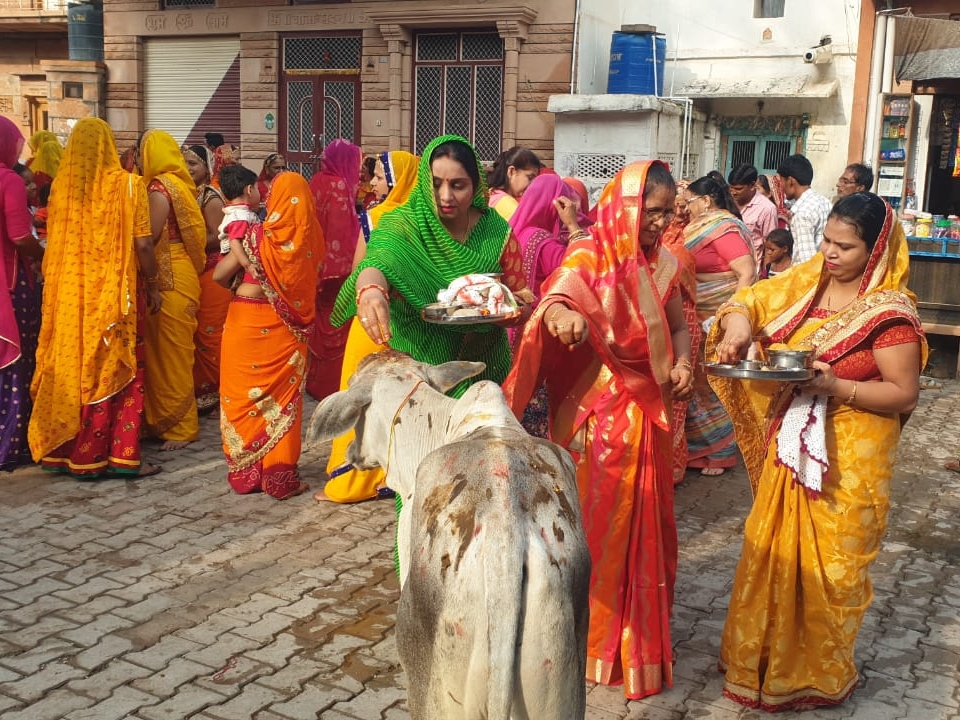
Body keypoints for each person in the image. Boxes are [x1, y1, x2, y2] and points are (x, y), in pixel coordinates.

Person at [710, 192, 925, 711]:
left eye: (844, 246)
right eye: (827, 239)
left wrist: (835, 388)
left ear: (873, 253)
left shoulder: (891, 314)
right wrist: (738, 326)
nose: (829, 252)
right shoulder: (812, 279)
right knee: (773, 551)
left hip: (849, 459)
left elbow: (903, 393)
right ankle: (761, 663)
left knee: (832, 568)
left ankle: (817, 673)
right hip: (792, 445)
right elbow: (753, 299)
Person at [503, 160, 693, 700]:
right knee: (595, 529)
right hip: (599, 420)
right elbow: (559, 296)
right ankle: (586, 640)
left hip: (648, 416)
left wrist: (681, 366)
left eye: (666, 213)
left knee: (646, 527)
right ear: (626, 207)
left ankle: (638, 645)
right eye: (651, 213)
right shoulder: (591, 254)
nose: (659, 224)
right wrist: (562, 315)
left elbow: (679, 327)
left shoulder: (666, 266)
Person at [333, 135, 533, 389]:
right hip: (415, 371)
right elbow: (376, 263)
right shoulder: (404, 223)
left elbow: (521, 299)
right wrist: (371, 290)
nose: (445, 196)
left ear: (476, 185)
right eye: (435, 184)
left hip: (481, 370)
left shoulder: (496, 231)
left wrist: (506, 315)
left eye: (458, 185)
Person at [28, 117, 161, 479]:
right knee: (118, 364)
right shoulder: (129, 186)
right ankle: (118, 455)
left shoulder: (62, 189)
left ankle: (65, 451)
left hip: (72, 294)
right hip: (116, 294)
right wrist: (154, 281)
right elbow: (144, 244)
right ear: (106, 146)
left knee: (74, 363)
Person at [213, 171, 324, 500]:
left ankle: (247, 471)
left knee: (242, 396)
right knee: (284, 398)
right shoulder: (312, 238)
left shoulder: (254, 235)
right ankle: (278, 475)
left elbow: (220, 276)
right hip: (286, 326)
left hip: (244, 319)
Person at [321, 149, 419, 504]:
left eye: (379, 177)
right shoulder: (423, 221)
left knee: (358, 394)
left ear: (397, 181)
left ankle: (354, 479)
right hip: (410, 325)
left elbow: (357, 271)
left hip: (371, 321)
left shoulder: (376, 218)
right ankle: (394, 475)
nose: (374, 183)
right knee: (401, 400)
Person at [136, 129, 207, 451]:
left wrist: (151, 283)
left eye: (140, 152)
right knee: (169, 352)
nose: (137, 159)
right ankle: (159, 420)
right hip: (183, 272)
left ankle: (180, 426)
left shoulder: (160, 188)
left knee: (171, 354)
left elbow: (147, 237)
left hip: (169, 277)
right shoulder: (180, 184)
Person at [682, 176, 755, 476]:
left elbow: (746, 273)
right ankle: (700, 448)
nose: (686, 209)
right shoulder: (703, 227)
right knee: (698, 382)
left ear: (706, 201)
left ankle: (721, 452)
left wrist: (728, 313)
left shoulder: (722, 229)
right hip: (698, 313)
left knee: (713, 383)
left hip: (717, 316)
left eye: (689, 202)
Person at [0, 117, 45, 470]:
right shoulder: (9, 180)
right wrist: (46, 254)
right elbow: (19, 236)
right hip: (10, 283)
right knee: (15, 360)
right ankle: (11, 441)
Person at [307, 138, 362, 401]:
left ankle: (315, 382)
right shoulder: (340, 185)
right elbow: (341, 231)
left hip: (315, 265)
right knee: (337, 324)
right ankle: (331, 385)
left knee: (320, 324)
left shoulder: (316, 180)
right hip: (336, 272)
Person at [182, 143, 228, 414]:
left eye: (194, 164)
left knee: (210, 334)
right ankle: (201, 390)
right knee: (197, 334)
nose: (188, 169)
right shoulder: (188, 192)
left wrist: (188, 241)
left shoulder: (210, 197)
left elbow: (217, 235)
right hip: (195, 270)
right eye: (185, 163)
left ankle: (216, 390)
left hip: (212, 271)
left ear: (207, 168)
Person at [778, 153, 832, 264]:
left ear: (790, 181)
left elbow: (806, 262)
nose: (781, 187)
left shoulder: (802, 214)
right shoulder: (824, 202)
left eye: (781, 181)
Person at [728, 163, 777, 266]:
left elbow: (770, 246)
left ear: (752, 185)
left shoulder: (766, 208)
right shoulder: (727, 202)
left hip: (751, 272)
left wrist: (764, 276)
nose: (733, 192)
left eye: (738, 189)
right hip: (726, 271)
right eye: (731, 188)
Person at [486, 146, 543, 220]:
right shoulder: (507, 204)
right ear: (511, 171)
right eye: (530, 177)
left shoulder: (490, 193)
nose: (532, 185)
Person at [256, 152, 287, 217]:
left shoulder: (288, 185)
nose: (281, 171)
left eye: (283, 168)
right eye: (277, 168)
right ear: (267, 168)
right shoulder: (258, 186)